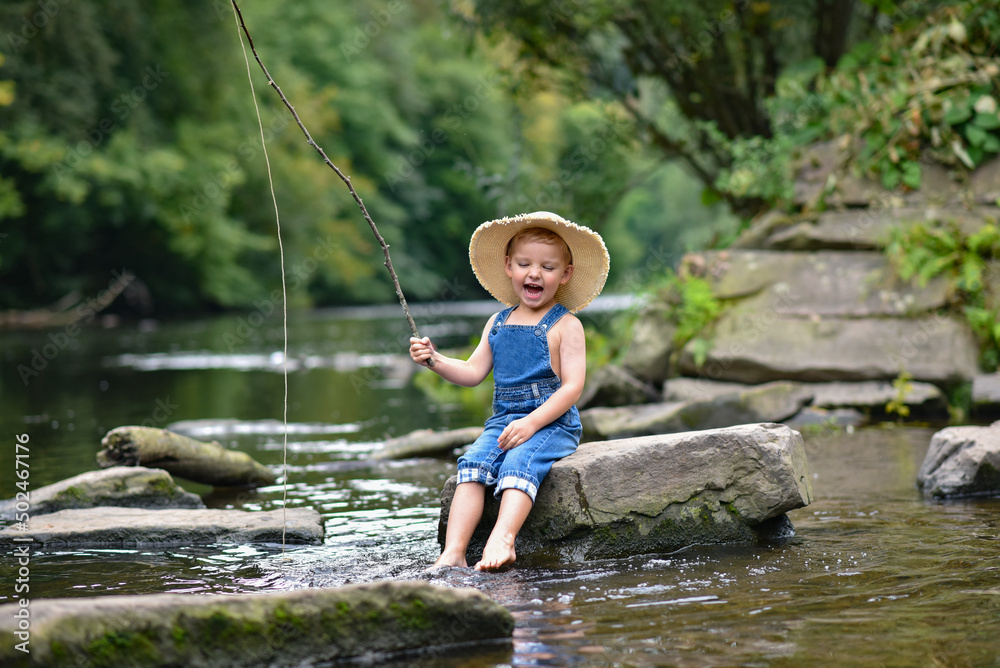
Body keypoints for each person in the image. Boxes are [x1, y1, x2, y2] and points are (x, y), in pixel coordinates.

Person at [409, 211, 610, 571]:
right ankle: (453, 552)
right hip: (503, 421)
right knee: (472, 464)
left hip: (552, 423)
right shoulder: (498, 322)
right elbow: (472, 372)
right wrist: (435, 360)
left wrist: (532, 423)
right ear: (508, 266)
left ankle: (503, 538)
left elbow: (573, 387)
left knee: (518, 463)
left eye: (547, 267)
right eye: (524, 264)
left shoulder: (567, 325)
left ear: (565, 274)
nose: (534, 273)